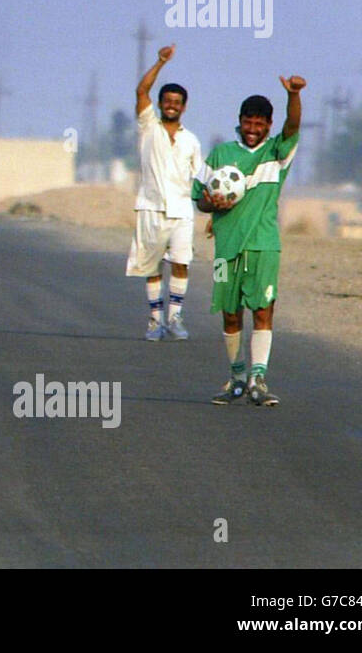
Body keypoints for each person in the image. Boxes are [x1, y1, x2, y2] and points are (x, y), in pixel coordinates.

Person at [192, 76, 305, 407]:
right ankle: (237, 378)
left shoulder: (276, 152)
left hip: (263, 245)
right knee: (229, 313)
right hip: (226, 249)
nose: (252, 128)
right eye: (247, 122)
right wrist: (214, 203)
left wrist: (293, 95)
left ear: (269, 125)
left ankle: (258, 379)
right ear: (239, 122)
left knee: (263, 308)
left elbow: (293, 124)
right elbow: (199, 199)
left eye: (259, 123)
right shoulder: (220, 154)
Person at [125, 44, 203, 341]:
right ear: (160, 104)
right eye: (167, 101)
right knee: (152, 264)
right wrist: (160, 62)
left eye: (177, 102)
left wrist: (211, 212)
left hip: (182, 210)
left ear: (184, 107)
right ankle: (155, 321)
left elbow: (200, 179)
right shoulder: (148, 127)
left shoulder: (191, 140)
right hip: (150, 206)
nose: (172, 105)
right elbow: (140, 91)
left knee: (181, 262)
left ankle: (175, 317)